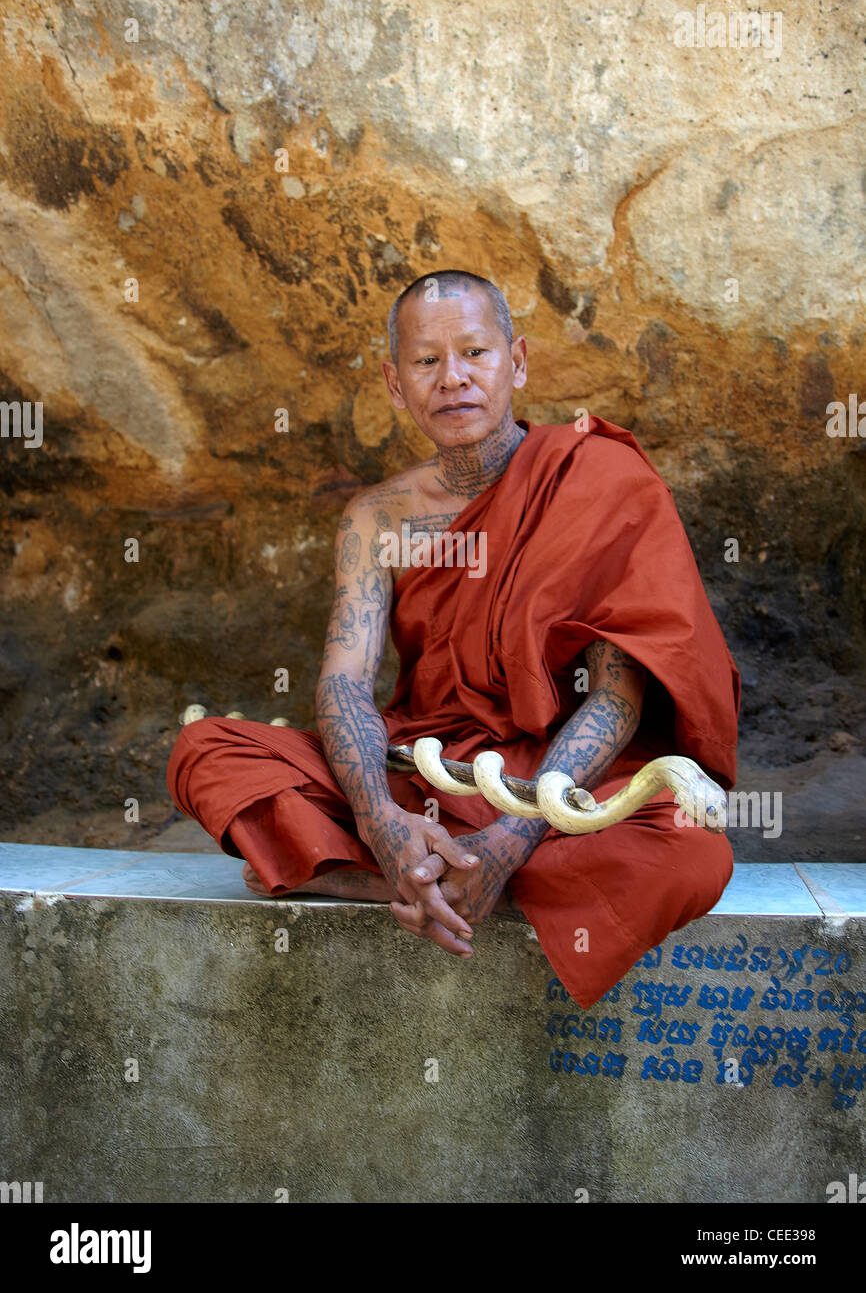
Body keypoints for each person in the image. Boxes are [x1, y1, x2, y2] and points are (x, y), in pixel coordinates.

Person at [166, 269, 740, 1008]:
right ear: (394, 383)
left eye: (476, 352)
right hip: (429, 769)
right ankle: (424, 871)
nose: (454, 379)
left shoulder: (600, 478)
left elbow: (617, 696)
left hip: (564, 780)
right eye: (427, 361)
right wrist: (379, 820)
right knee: (207, 750)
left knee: (691, 852)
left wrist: (513, 838)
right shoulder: (379, 519)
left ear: (519, 362)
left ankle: (392, 880)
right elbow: (345, 682)